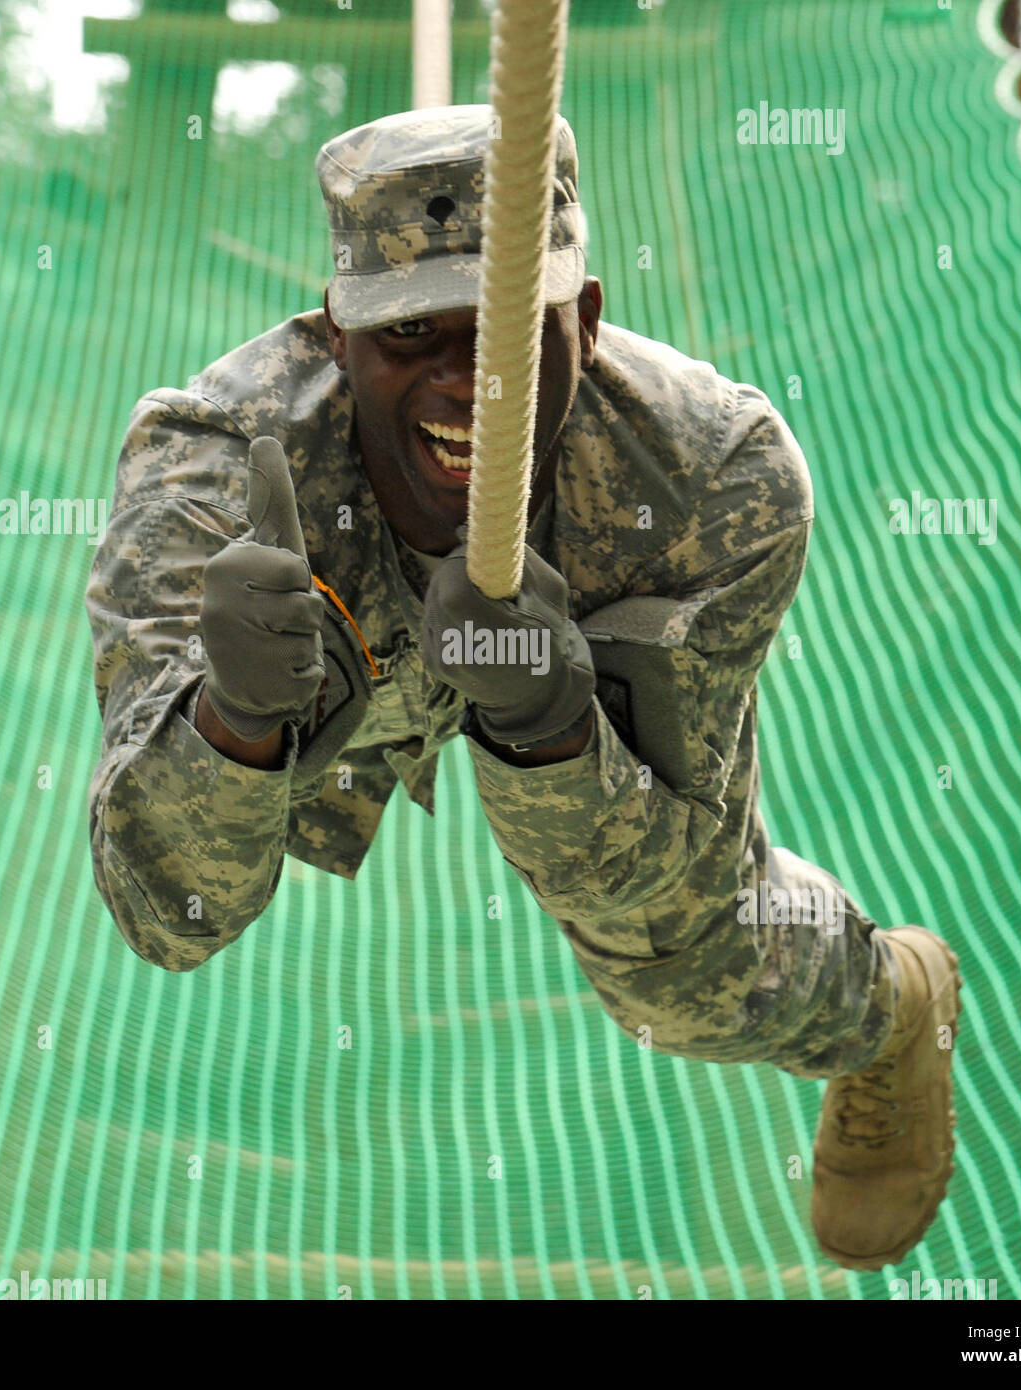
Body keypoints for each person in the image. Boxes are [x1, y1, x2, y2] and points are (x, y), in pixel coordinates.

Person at [84, 105, 963, 1273]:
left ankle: (891, 1005)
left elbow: (669, 873)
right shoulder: (209, 472)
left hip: (585, 692)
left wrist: (551, 731)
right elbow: (165, 913)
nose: (467, 386)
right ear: (334, 340)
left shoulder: (717, 480)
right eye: (411, 336)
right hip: (340, 686)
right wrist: (231, 723)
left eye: (507, 333)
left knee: (683, 984)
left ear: (584, 324)